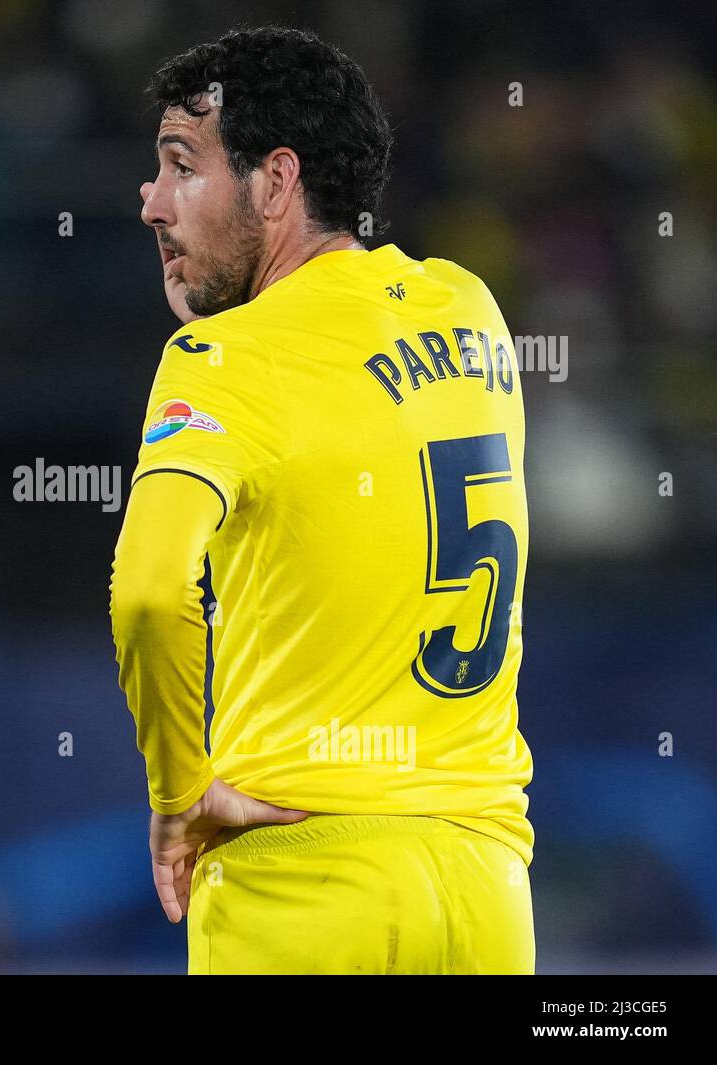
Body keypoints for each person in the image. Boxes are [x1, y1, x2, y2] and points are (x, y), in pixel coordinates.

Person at [109, 25, 534, 974]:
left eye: (182, 165)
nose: (150, 202)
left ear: (275, 181)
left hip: (303, 888)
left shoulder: (223, 362)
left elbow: (145, 593)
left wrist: (181, 794)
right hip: (487, 886)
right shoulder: (468, 308)